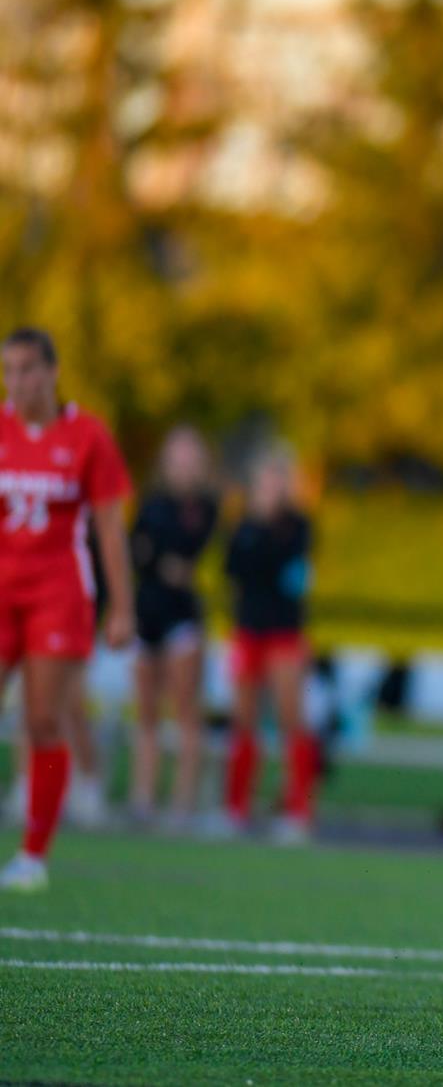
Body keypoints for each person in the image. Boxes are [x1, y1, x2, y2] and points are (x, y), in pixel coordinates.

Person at [0, 326, 135, 892]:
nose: (18, 381)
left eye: (28, 369)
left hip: (59, 594)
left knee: (42, 720)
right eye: (9, 370)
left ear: (53, 371)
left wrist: (122, 607)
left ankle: (33, 855)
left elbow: (108, 527)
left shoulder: (88, 436)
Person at [222, 448, 316, 842]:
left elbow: (283, 568)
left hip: (284, 633)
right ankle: (236, 807)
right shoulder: (243, 524)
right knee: (244, 720)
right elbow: (235, 569)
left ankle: (297, 809)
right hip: (249, 628)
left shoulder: (298, 526)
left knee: (290, 719)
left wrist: (260, 540)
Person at [128, 426, 220, 825]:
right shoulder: (151, 503)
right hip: (146, 611)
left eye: (189, 459)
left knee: (184, 707)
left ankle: (182, 801)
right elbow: (138, 552)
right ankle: (143, 795)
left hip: (182, 615)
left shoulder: (207, 507)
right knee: (146, 709)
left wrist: (160, 560)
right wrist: (159, 562)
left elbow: (187, 558)